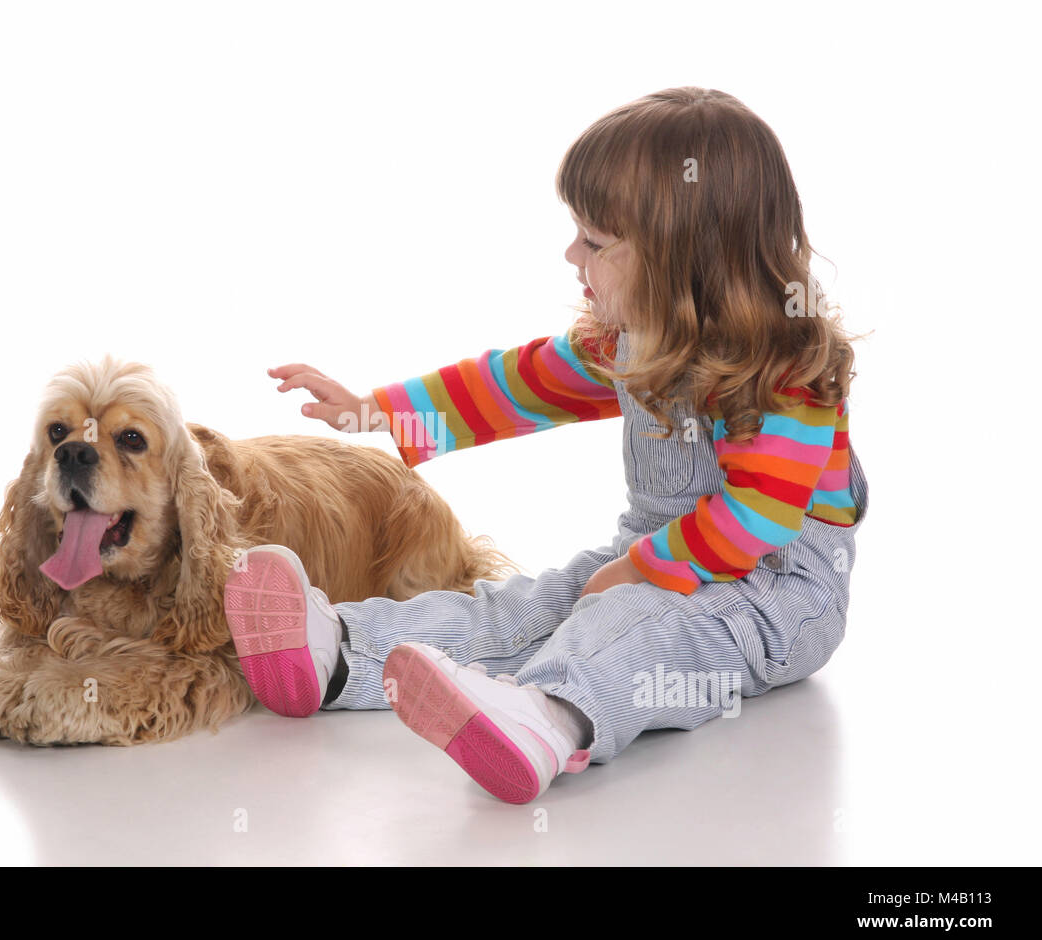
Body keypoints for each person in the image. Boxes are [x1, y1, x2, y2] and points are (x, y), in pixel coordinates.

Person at [222, 86, 870, 805]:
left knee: (636, 631)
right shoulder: (633, 340)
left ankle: (548, 718)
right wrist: (375, 413)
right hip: (657, 553)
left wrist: (637, 571)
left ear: (685, 257)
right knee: (529, 607)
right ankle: (338, 652)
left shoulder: (786, 370)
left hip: (773, 596)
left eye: (594, 242)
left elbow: (758, 519)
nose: (571, 254)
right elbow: (514, 388)